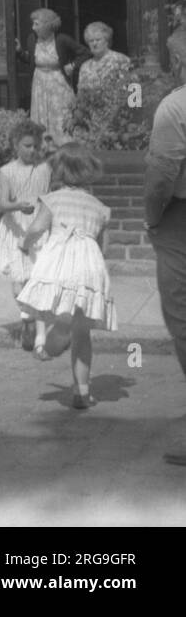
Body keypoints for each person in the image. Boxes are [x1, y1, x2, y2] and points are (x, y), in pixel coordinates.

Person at [17, 144, 115, 409]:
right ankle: (82, 391)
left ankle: (47, 348)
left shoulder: (53, 199)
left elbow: (37, 227)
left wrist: (25, 244)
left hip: (60, 264)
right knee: (82, 333)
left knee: (62, 319)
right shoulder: (99, 206)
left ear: (59, 170)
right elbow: (103, 247)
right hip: (88, 266)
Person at [147, 28, 186, 466]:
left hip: (180, 218)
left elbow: (161, 175)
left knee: (182, 320)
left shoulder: (174, 107)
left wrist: (151, 218)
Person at [0, 119, 51, 352]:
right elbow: (2, 204)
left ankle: (38, 331)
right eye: (27, 146)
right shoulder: (7, 171)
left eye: (35, 146)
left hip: (38, 227)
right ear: (16, 145)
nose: (32, 150)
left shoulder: (44, 168)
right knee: (18, 283)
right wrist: (17, 206)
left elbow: (49, 196)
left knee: (38, 277)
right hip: (15, 228)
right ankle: (27, 318)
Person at [16, 8, 90, 147]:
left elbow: (85, 53)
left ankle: (65, 150)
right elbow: (32, 60)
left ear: (47, 25)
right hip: (39, 85)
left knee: (61, 116)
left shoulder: (62, 39)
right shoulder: (32, 39)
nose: (33, 27)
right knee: (41, 119)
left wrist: (73, 65)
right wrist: (20, 52)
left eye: (36, 24)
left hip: (58, 84)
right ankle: (43, 149)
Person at [77, 21, 132, 94]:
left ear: (106, 41)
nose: (94, 43)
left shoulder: (121, 60)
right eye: (91, 41)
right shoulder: (84, 67)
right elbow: (81, 94)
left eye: (98, 40)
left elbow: (133, 88)